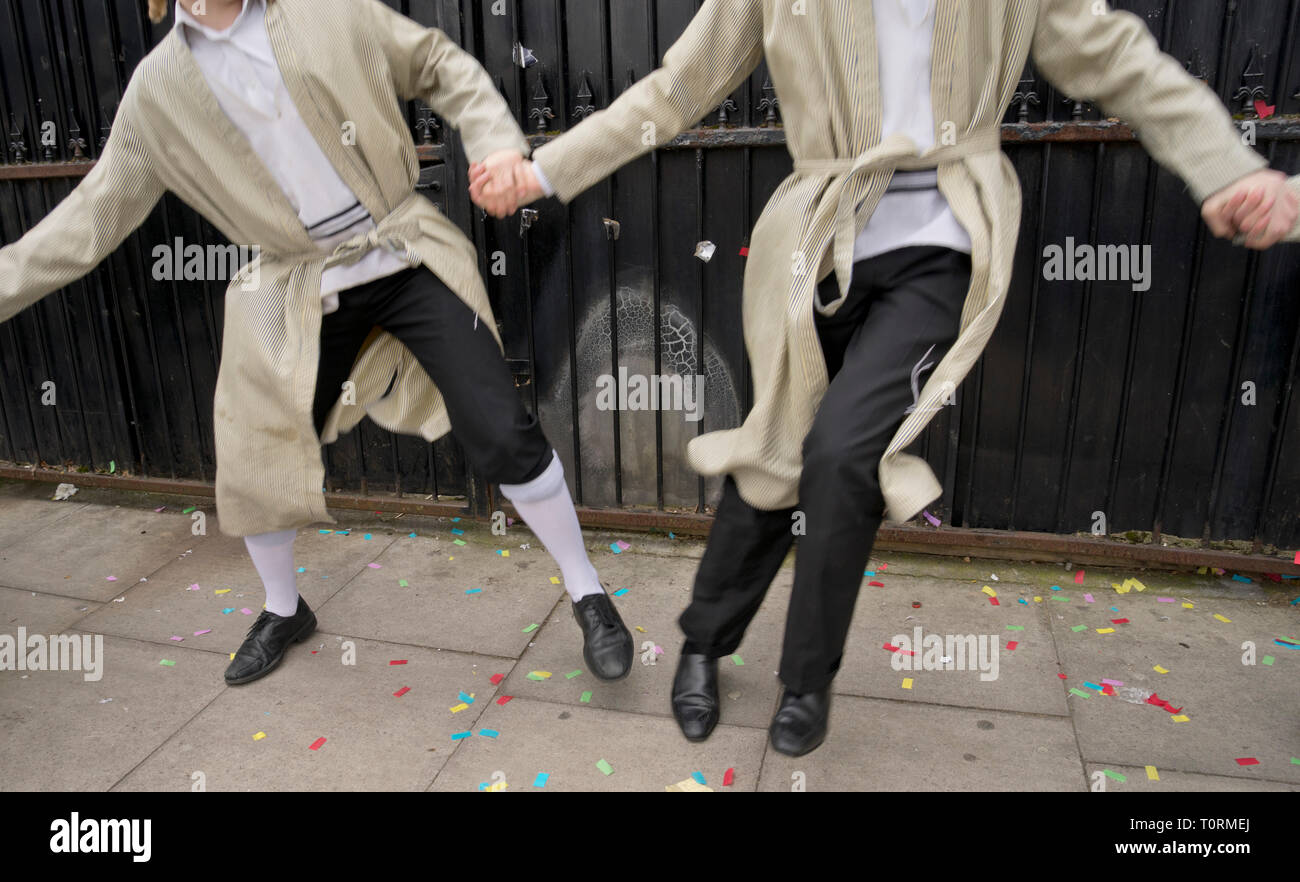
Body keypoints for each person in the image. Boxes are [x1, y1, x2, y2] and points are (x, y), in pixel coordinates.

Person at [470, 0, 1300, 756]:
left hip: (941, 244)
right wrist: (545, 171)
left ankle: (806, 677)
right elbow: (676, 86)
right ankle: (703, 644)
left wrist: (1225, 166)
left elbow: (1117, 58)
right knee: (775, 453)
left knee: (843, 456)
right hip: (819, 238)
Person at [0, 0, 633, 686]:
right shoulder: (159, 88)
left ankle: (587, 590)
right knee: (257, 457)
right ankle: (283, 609)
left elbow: (435, 62)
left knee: (503, 431)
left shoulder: (326, 10)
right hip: (297, 288)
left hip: (404, 256)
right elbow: (94, 213)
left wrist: (497, 142)